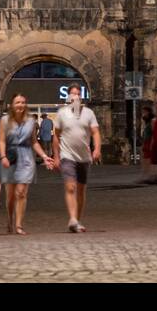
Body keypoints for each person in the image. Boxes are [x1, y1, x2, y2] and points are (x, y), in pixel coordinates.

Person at [0, 94, 50, 235]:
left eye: (23, 102)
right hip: (9, 157)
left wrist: (44, 156)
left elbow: (33, 141)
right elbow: (2, 140)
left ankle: (19, 224)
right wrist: (2, 156)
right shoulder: (4, 120)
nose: (20, 105)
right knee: (10, 195)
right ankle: (9, 219)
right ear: (12, 105)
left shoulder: (30, 121)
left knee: (21, 192)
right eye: (17, 102)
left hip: (26, 158)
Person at [51, 85, 100, 233]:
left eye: (78, 94)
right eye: (73, 94)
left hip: (84, 157)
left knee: (81, 189)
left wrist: (97, 149)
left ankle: (77, 220)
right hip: (68, 156)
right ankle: (72, 218)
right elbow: (56, 135)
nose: (75, 97)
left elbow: (95, 132)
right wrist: (56, 156)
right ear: (68, 97)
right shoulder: (62, 113)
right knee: (70, 186)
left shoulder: (89, 113)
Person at [137, 104, 157, 184]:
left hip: (149, 143)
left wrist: (152, 143)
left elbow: (154, 133)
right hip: (146, 143)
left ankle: (151, 176)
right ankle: (149, 176)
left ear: (148, 112)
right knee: (146, 160)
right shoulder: (147, 122)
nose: (143, 114)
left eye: (144, 112)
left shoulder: (152, 121)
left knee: (149, 160)